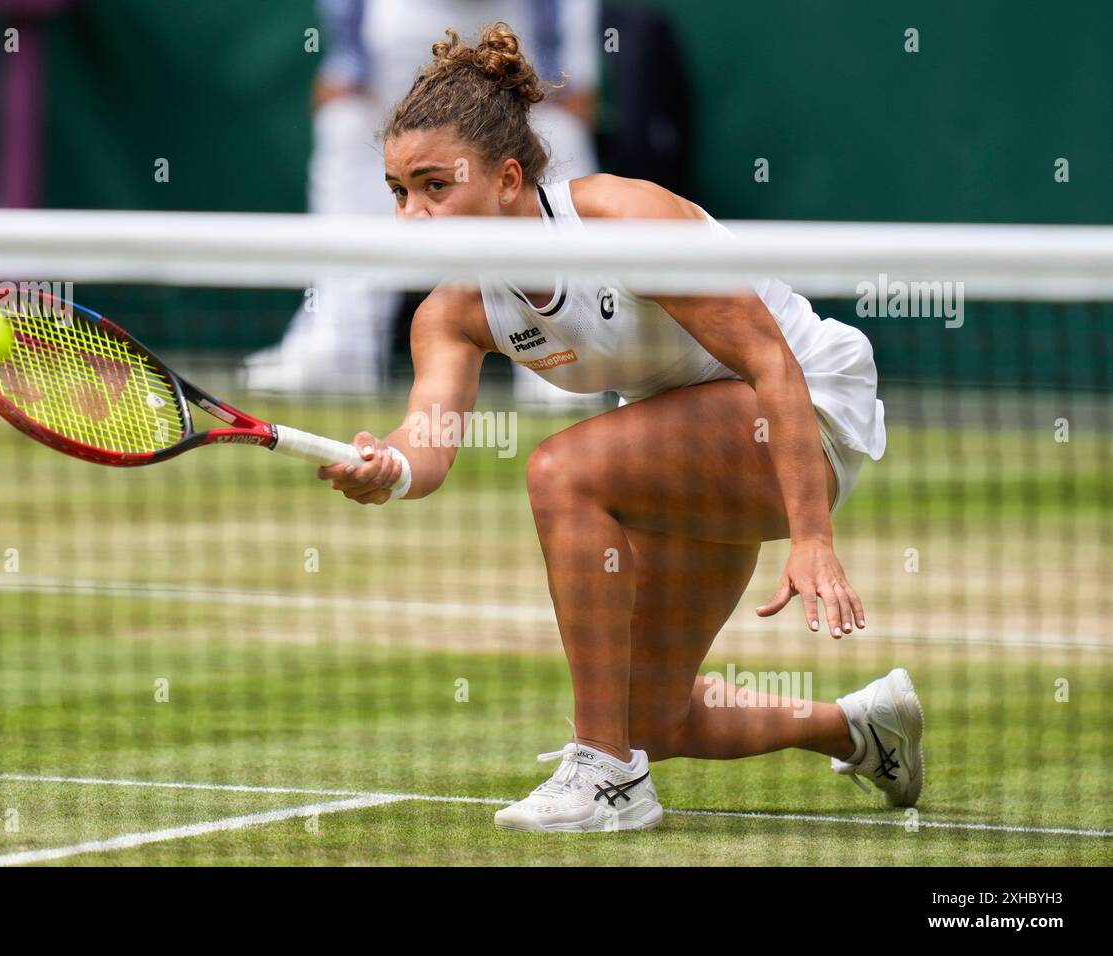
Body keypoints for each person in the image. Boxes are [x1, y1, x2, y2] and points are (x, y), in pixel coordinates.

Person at [318, 22, 922, 832]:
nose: (413, 215)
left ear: (504, 179)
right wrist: (387, 466)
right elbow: (426, 444)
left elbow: (772, 363)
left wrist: (811, 537)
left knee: (563, 470)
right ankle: (860, 726)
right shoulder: (454, 312)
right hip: (691, 448)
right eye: (399, 192)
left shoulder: (622, 221)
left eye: (434, 186)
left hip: (808, 412)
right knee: (652, 715)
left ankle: (607, 777)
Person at [241, 0, 604, 408]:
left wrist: (572, 67)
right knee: (345, 123)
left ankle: (561, 355)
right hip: (395, 30)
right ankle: (336, 344)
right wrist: (348, 59)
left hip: (517, 27)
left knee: (562, 133)